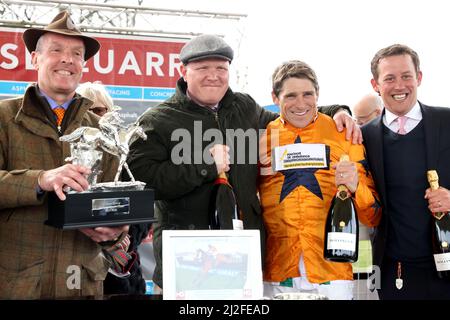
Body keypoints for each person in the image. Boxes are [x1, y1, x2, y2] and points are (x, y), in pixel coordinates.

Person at [125, 34, 361, 290]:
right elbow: (140, 181)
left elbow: (291, 115)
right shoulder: (158, 119)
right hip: (187, 262)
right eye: (203, 68)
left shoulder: (245, 107)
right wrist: (204, 166)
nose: (213, 75)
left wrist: (337, 110)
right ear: (184, 72)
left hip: (243, 260)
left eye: (220, 68)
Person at [0, 11, 132, 299]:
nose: (67, 59)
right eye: (56, 50)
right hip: (15, 286)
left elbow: (112, 204)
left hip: (83, 286)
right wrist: (41, 180)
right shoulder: (3, 118)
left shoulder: (102, 130)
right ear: (35, 58)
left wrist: (115, 232)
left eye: (76, 53)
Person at [258, 60, 381, 300]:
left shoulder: (344, 134)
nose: (301, 103)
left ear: (318, 94)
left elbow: (373, 215)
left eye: (308, 94)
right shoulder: (262, 140)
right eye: (291, 95)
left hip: (332, 273)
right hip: (277, 274)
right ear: (275, 97)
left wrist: (356, 188)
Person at [362, 44, 450, 300]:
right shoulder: (365, 137)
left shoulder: (447, 123)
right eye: (389, 78)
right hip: (394, 272)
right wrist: (339, 113)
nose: (399, 86)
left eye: (406, 76)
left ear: (419, 78)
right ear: (375, 84)